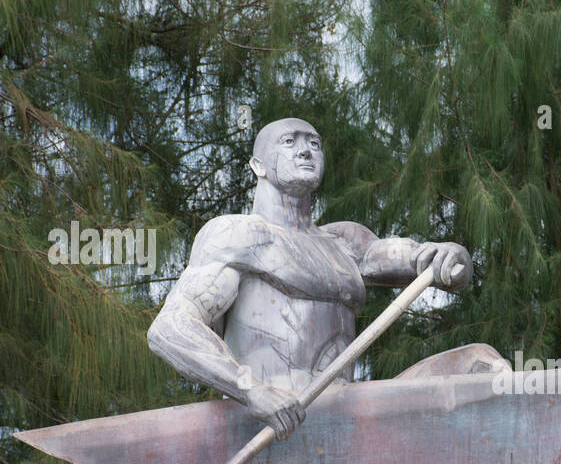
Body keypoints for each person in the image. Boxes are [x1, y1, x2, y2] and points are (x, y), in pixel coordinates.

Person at [148, 117, 472, 439]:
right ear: (257, 166)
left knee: (479, 362)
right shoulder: (237, 234)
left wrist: (450, 254)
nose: (305, 151)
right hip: (270, 428)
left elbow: (416, 257)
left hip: (343, 418)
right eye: (289, 142)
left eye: (314, 144)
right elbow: (171, 328)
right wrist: (250, 390)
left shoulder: (344, 242)